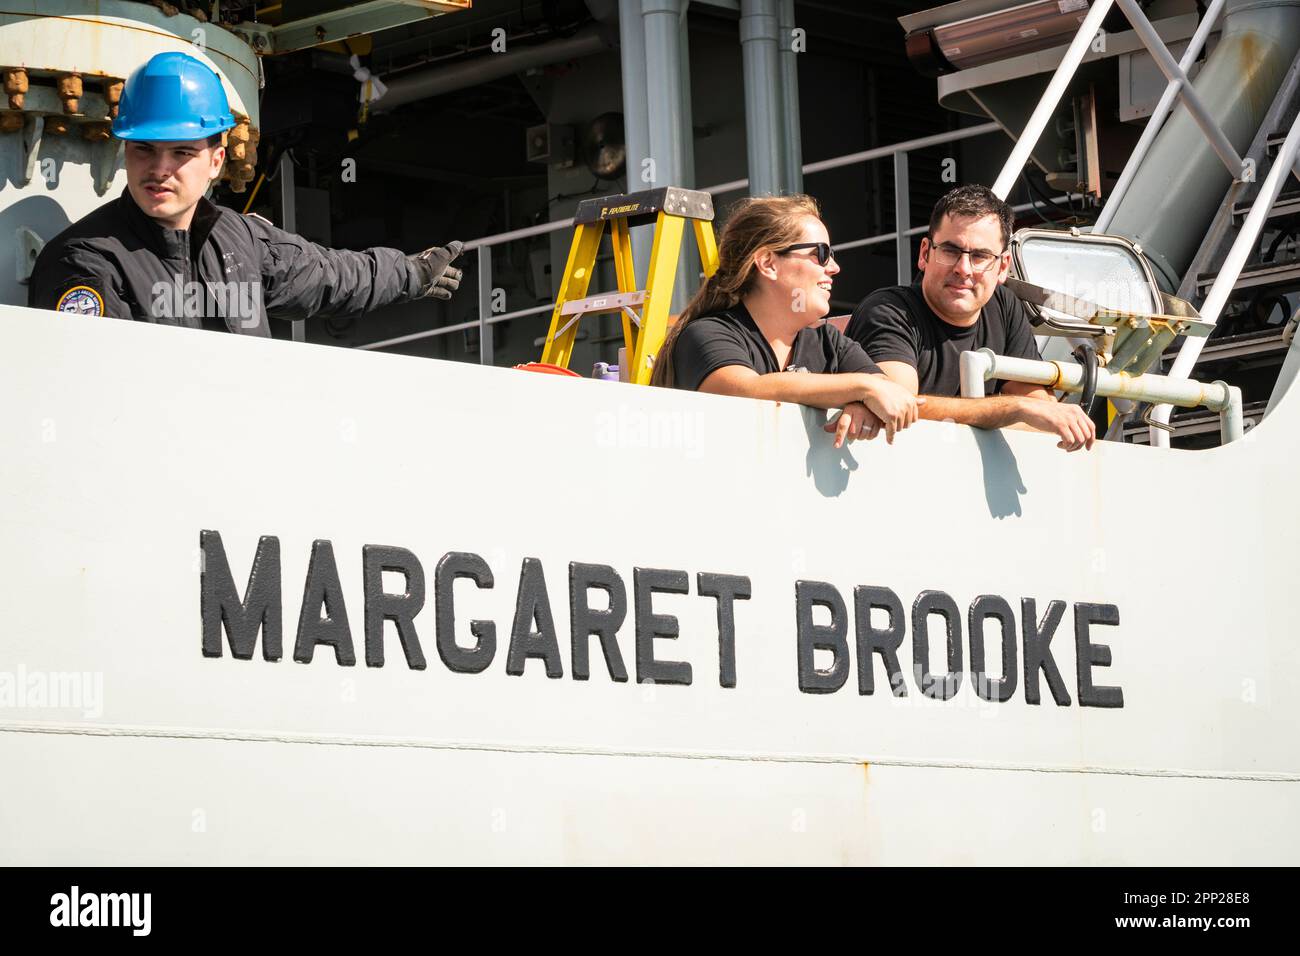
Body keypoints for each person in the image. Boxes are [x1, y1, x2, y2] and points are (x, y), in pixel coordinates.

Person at [29, 51, 463, 334]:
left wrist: (412, 273)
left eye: (181, 152)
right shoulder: (85, 260)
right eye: (144, 149)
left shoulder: (242, 240)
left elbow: (330, 275)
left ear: (216, 162)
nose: (159, 169)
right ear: (125, 150)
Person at [652, 194, 921, 446]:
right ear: (768, 263)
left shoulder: (829, 343)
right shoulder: (706, 334)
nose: (834, 267)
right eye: (821, 254)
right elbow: (748, 390)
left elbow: (891, 394)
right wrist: (863, 388)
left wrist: (862, 404)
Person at [844, 184, 1095, 452]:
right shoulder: (888, 311)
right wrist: (1015, 408)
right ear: (924, 253)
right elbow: (899, 407)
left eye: (980, 256)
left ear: (1002, 267)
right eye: (951, 251)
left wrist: (1023, 410)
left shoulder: (1004, 306)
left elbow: (1042, 412)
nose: (963, 269)